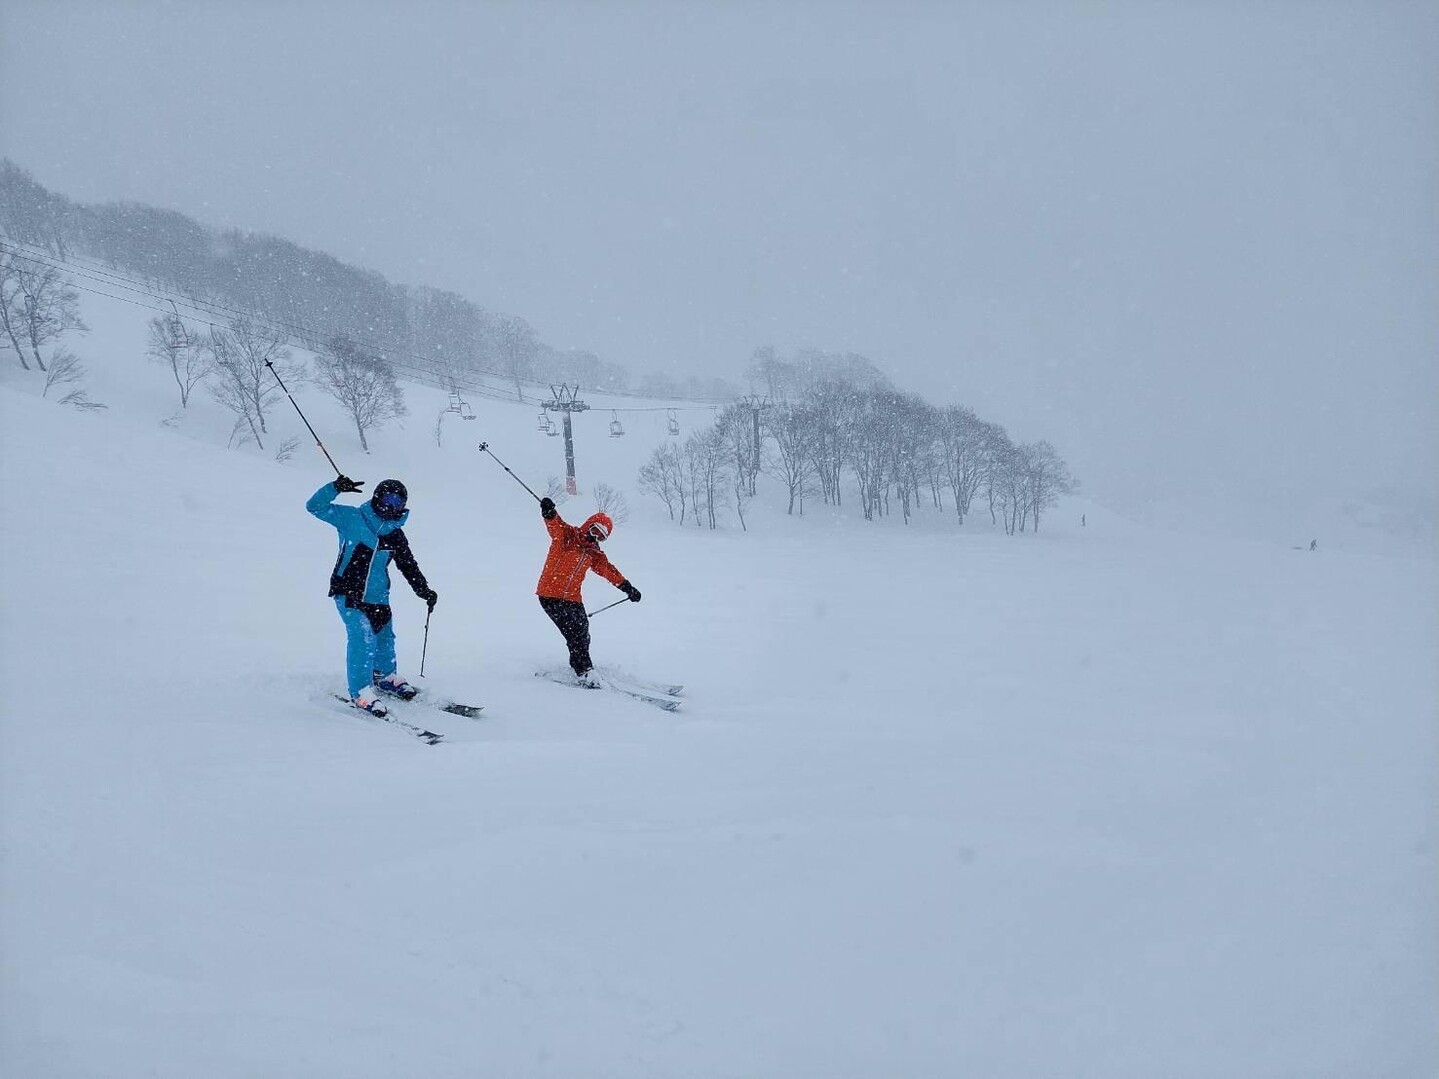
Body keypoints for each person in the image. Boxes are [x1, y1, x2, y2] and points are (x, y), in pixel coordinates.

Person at [307, 475, 438, 716]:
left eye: (398, 503)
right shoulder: (352, 518)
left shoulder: (395, 534)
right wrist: (334, 488)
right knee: (362, 637)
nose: (392, 507)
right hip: (348, 591)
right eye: (388, 500)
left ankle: (385, 676)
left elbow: (407, 565)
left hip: (378, 595)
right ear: (377, 497)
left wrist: (424, 590)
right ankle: (361, 691)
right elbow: (314, 507)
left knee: (385, 637)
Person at [536, 496, 640, 685]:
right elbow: (555, 525)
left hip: (572, 598)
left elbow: (609, 570)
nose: (595, 537)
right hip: (550, 595)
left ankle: (578, 664)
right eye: (594, 531)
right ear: (588, 525)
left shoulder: (593, 553)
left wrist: (627, 587)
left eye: (601, 537)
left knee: (582, 631)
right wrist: (549, 512)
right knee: (573, 632)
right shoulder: (566, 535)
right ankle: (584, 671)